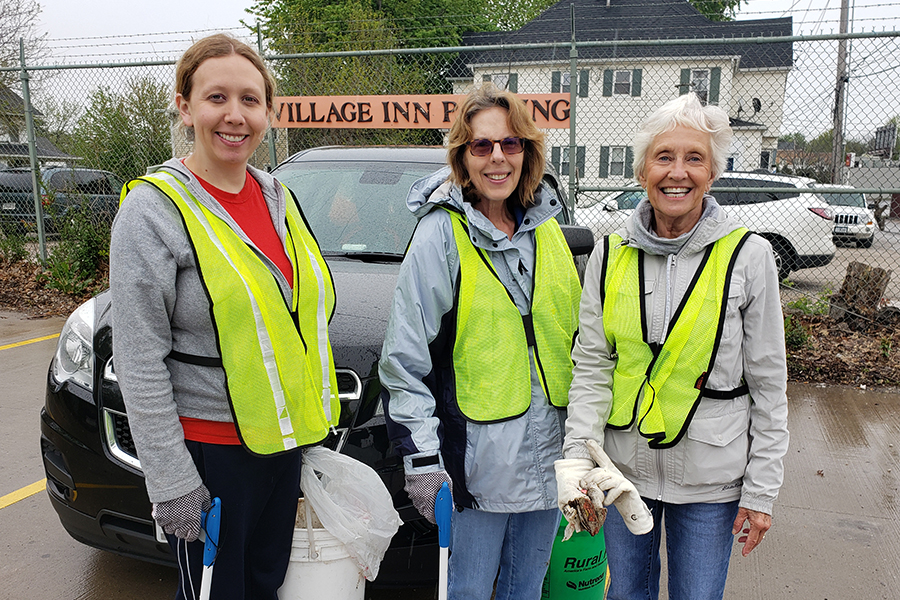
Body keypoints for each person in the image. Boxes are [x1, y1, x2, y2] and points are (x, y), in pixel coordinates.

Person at [109, 33, 340, 600]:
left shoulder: (276, 196)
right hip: (208, 460)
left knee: (266, 586)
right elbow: (138, 359)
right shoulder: (154, 208)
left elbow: (295, 324)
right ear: (185, 107)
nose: (234, 116)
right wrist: (170, 480)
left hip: (280, 449)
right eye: (217, 98)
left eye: (250, 100)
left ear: (268, 112)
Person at [555, 93, 790, 600]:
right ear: (642, 171)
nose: (677, 172)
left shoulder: (750, 256)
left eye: (694, 158)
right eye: (664, 157)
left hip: (712, 483)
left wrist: (762, 492)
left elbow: (770, 387)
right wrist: (577, 463)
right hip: (623, 474)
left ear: (713, 173)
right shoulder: (609, 253)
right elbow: (593, 365)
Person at [378, 83, 582, 600]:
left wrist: (589, 447)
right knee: (468, 593)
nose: (497, 157)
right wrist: (423, 462)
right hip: (476, 468)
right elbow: (404, 364)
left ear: (528, 152)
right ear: (462, 157)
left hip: (551, 457)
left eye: (511, 144)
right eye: (481, 145)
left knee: (527, 591)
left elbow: (582, 344)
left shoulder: (548, 229)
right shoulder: (439, 236)